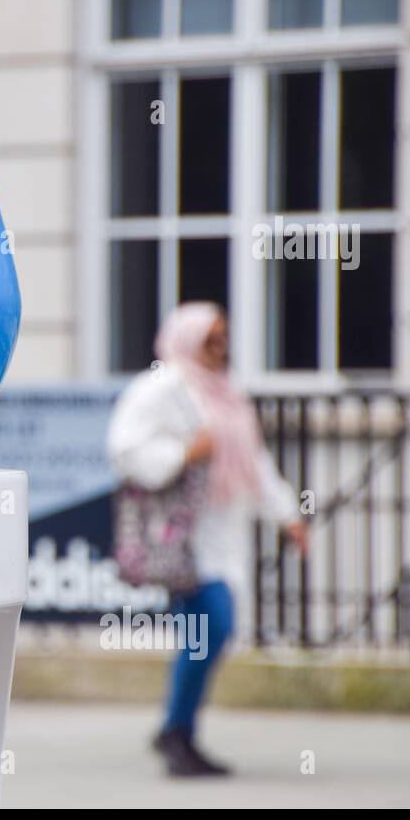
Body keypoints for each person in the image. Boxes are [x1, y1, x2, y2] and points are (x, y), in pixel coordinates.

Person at [106, 302, 308, 777]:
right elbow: (123, 448)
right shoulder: (162, 387)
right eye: (209, 339)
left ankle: (179, 732)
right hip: (182, 536)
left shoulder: (228, 392)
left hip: (223, 529)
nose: (220, 348)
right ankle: (177, 730)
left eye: (223, 338)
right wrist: (182, 453)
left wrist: (287, 515)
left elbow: (253, 461)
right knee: (211, 625)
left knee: (207, 632)